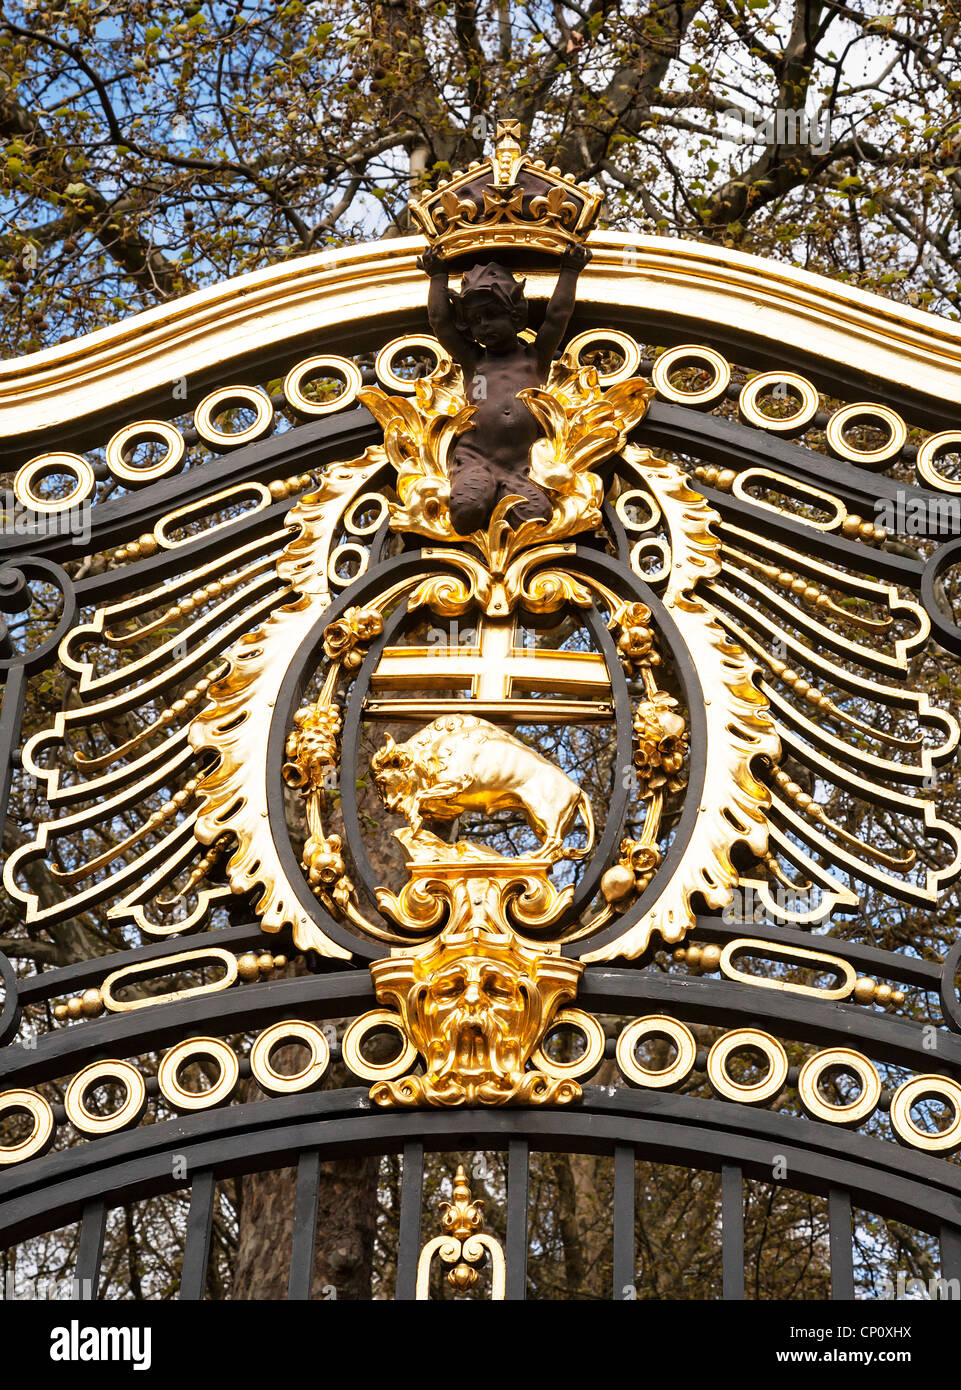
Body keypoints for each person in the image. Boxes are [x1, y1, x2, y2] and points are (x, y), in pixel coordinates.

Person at [417, 243, 592, 533]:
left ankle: (501, 494)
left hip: (522, 466)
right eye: (475, 321)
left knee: (535, 518)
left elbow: (557, 316)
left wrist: (571, 270)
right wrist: (437, 276)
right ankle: (486, 494)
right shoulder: (474, 362)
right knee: (466, 511)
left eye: (491, 315)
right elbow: (439, 322)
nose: (484, 326)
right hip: (476, 459)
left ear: (516, 317)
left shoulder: (534, 360)